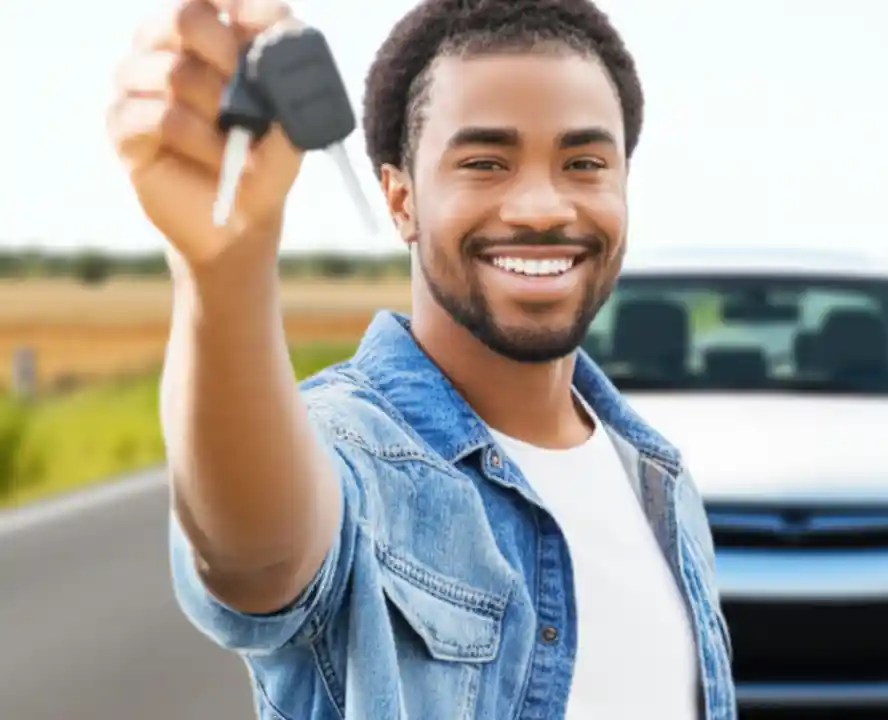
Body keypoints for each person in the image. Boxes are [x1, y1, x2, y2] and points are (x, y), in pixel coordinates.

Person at [106, 0, 736, 718]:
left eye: (585, 163)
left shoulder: (662, 482)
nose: (540, 206)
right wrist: (222, 266)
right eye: (485, 163)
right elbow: (255, 555)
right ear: (401, 199)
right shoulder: (351, 452)